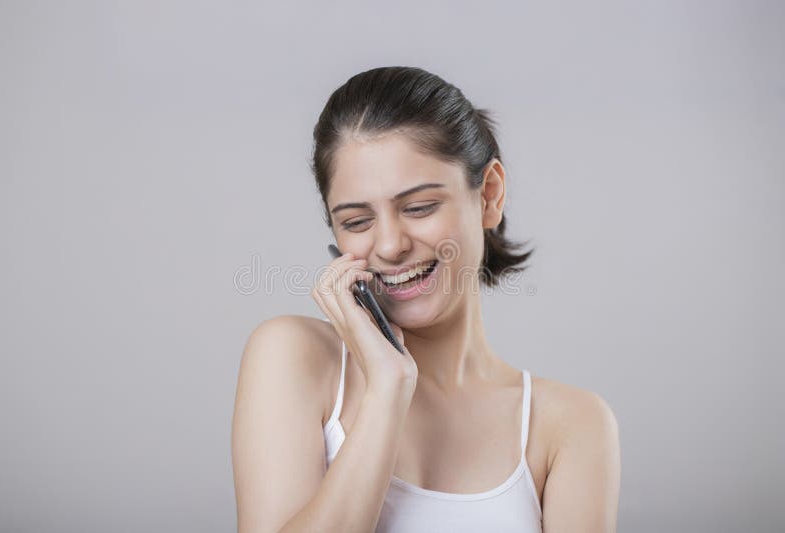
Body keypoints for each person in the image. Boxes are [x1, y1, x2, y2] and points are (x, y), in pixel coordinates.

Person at [232, 66, 621, 533]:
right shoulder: (295, 356)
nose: (390, 245)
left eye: (419, 208)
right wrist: (387, 389)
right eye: (357, 222)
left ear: (489, 195)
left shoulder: (571, 424)